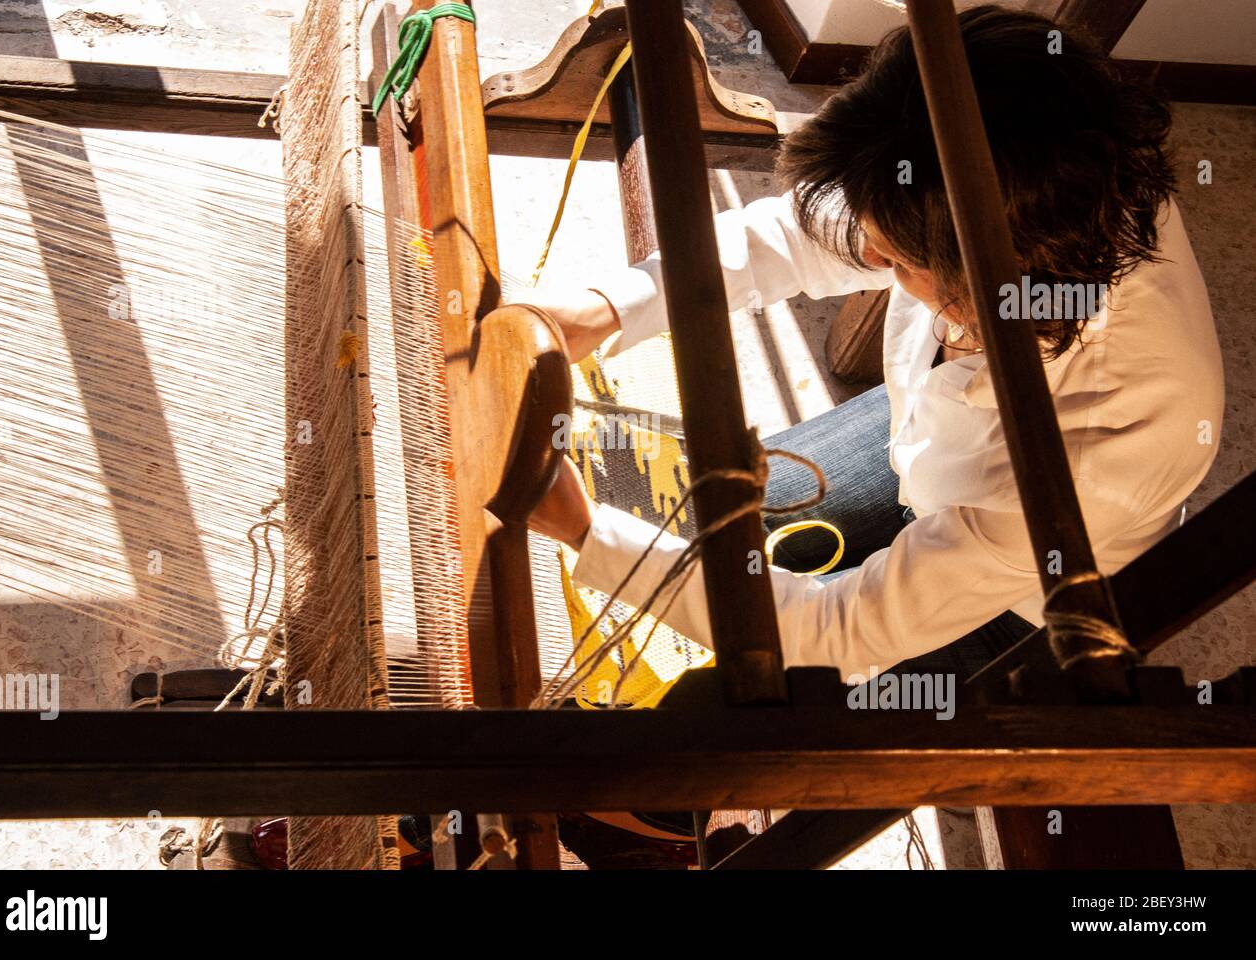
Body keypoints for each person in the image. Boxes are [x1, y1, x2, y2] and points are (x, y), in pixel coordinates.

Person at [522, 5, 1223, 682]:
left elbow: (837, 636)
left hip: (1020, 602)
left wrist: (584, 532)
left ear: (987, 283)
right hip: (932, 439)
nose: (873, 260)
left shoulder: (1106, 445)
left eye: (897, 262)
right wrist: (604, 310)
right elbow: (800, 236)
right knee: (690, 504)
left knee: (721, 716)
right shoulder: (1041, 184)